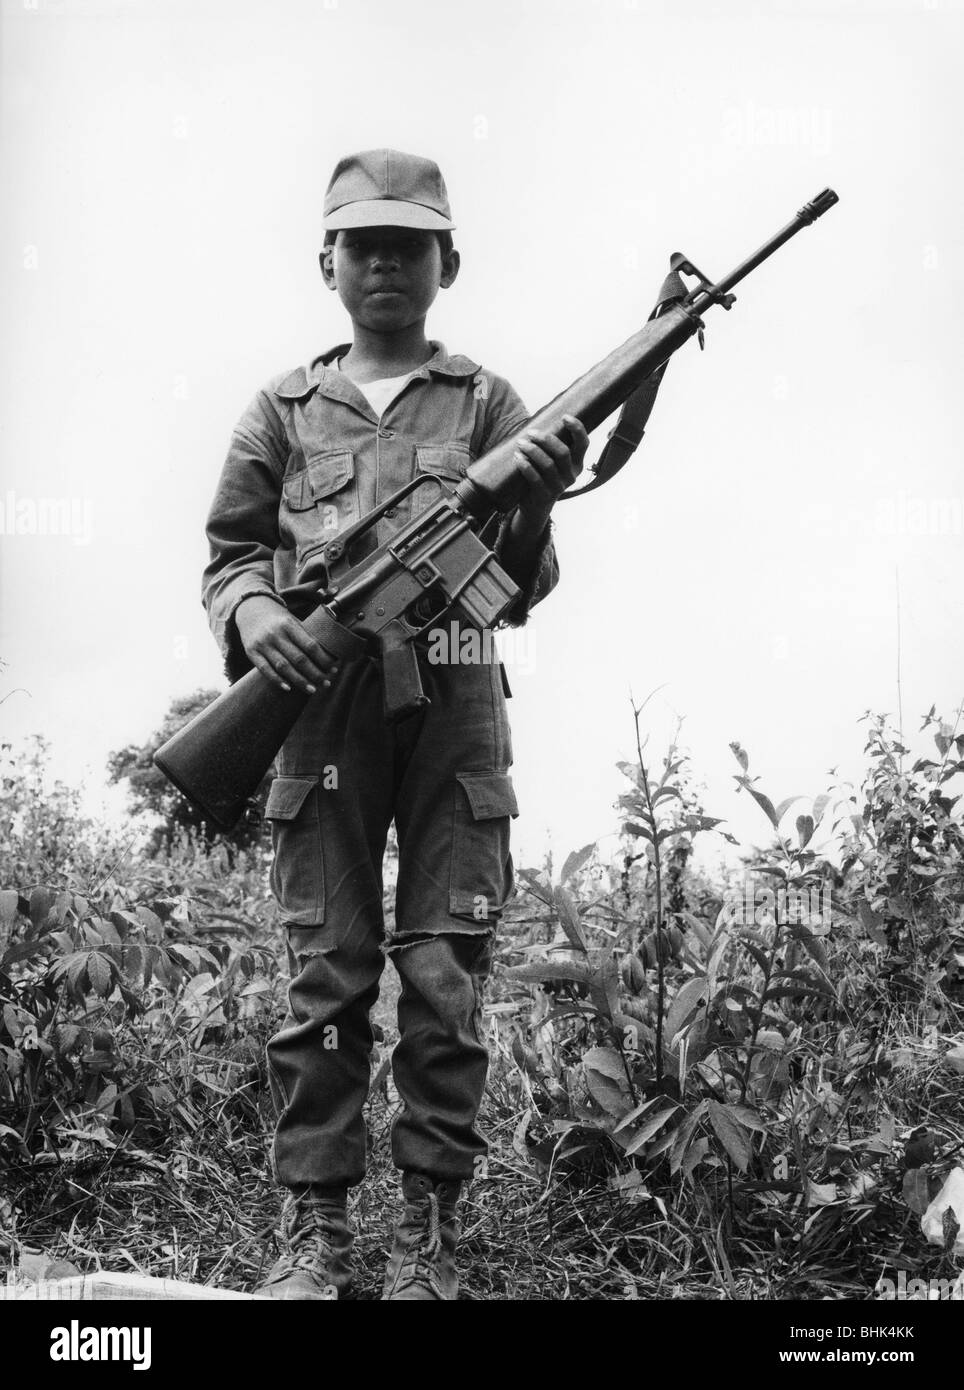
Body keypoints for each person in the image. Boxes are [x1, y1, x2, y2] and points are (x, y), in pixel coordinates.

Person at [202, 148, 588, 1300]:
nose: (383, 262)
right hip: (318, 711)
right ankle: (319, 1237)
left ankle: (428, 1239)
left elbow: (522, 585)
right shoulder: (279, 408)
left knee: (445, 966)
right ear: (327, 261)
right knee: (326, 969)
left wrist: (534, 501)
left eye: (407, 244)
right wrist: (261, 607)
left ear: (446, 262)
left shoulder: (491, 403)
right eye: (362, 243)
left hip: (456, 703)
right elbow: (227, 554)